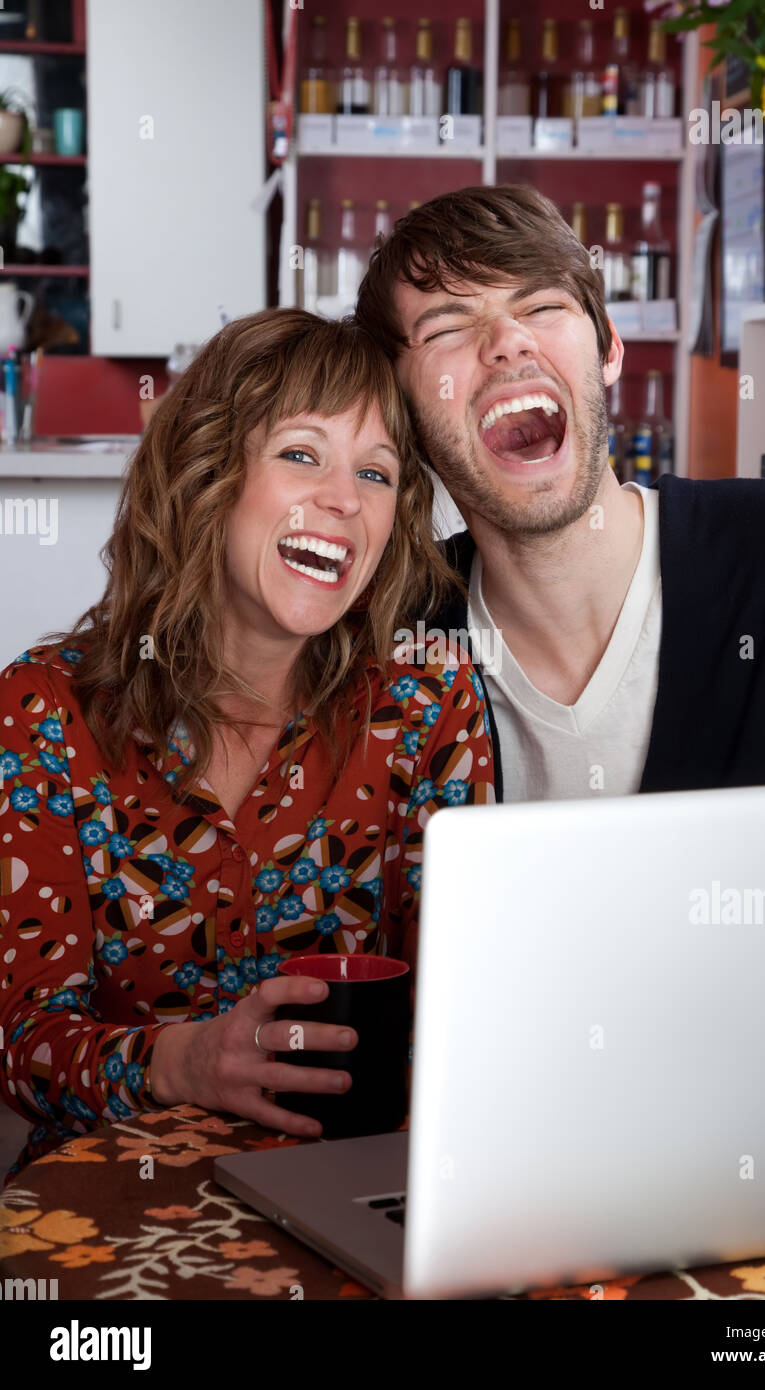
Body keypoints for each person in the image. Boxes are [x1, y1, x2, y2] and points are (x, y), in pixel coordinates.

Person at [0, 309, 494, 1187]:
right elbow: (25, 1044)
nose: (343, 499)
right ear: (209, 473)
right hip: (122, 1206)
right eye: (301, 454)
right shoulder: (46, 710)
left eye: (375, 473)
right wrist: (183, 1063)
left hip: (361, 1190)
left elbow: (469, 1017)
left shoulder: (429, 707)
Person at [354, 185, 765, 803]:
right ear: (402, 411)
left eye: (541, 307)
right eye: (448, 326)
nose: (507, 340)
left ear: (609, 347)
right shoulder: (387, 639)